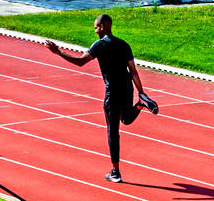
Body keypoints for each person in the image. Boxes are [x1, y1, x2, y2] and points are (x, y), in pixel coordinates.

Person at [45, 14, 159, 184]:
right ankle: (141, 104)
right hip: (127, 89)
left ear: (102, 27)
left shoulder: (100, 45)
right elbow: (133, 71)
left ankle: (116, 172)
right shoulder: (124, 44)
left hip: (112, 92)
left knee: (113, 132)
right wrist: (141, 92)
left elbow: (80, 62)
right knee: (126, 119)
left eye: (96, 27)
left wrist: (58, 52)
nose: (95, 31)